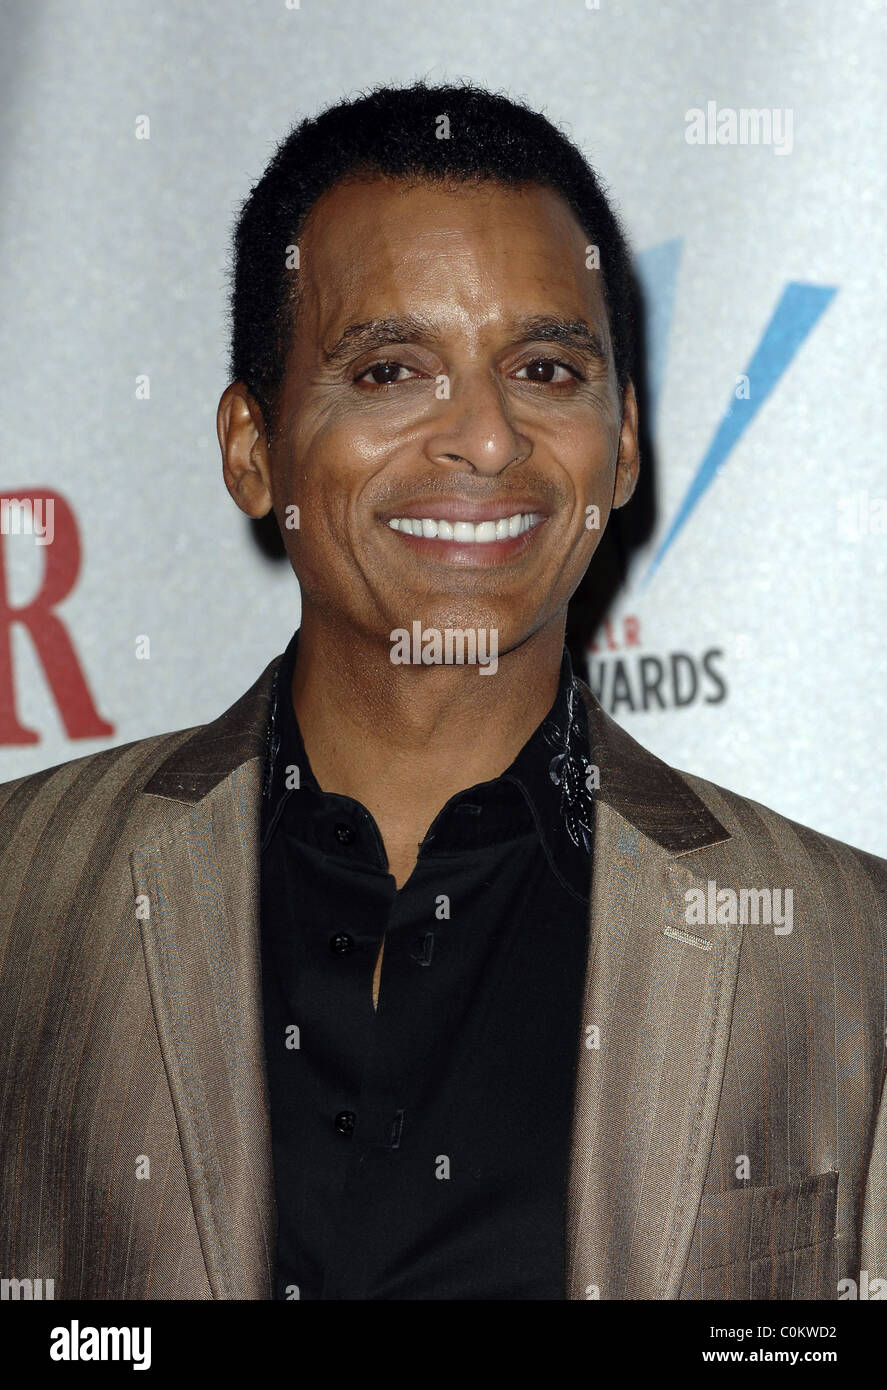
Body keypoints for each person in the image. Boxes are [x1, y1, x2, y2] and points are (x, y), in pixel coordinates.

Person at [1, 81, 885, 1302]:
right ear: (250, 448)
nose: (484, 436)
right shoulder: (24, 895)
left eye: (541, 366)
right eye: (387, 371)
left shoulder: (847, 947)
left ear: (621, 440)